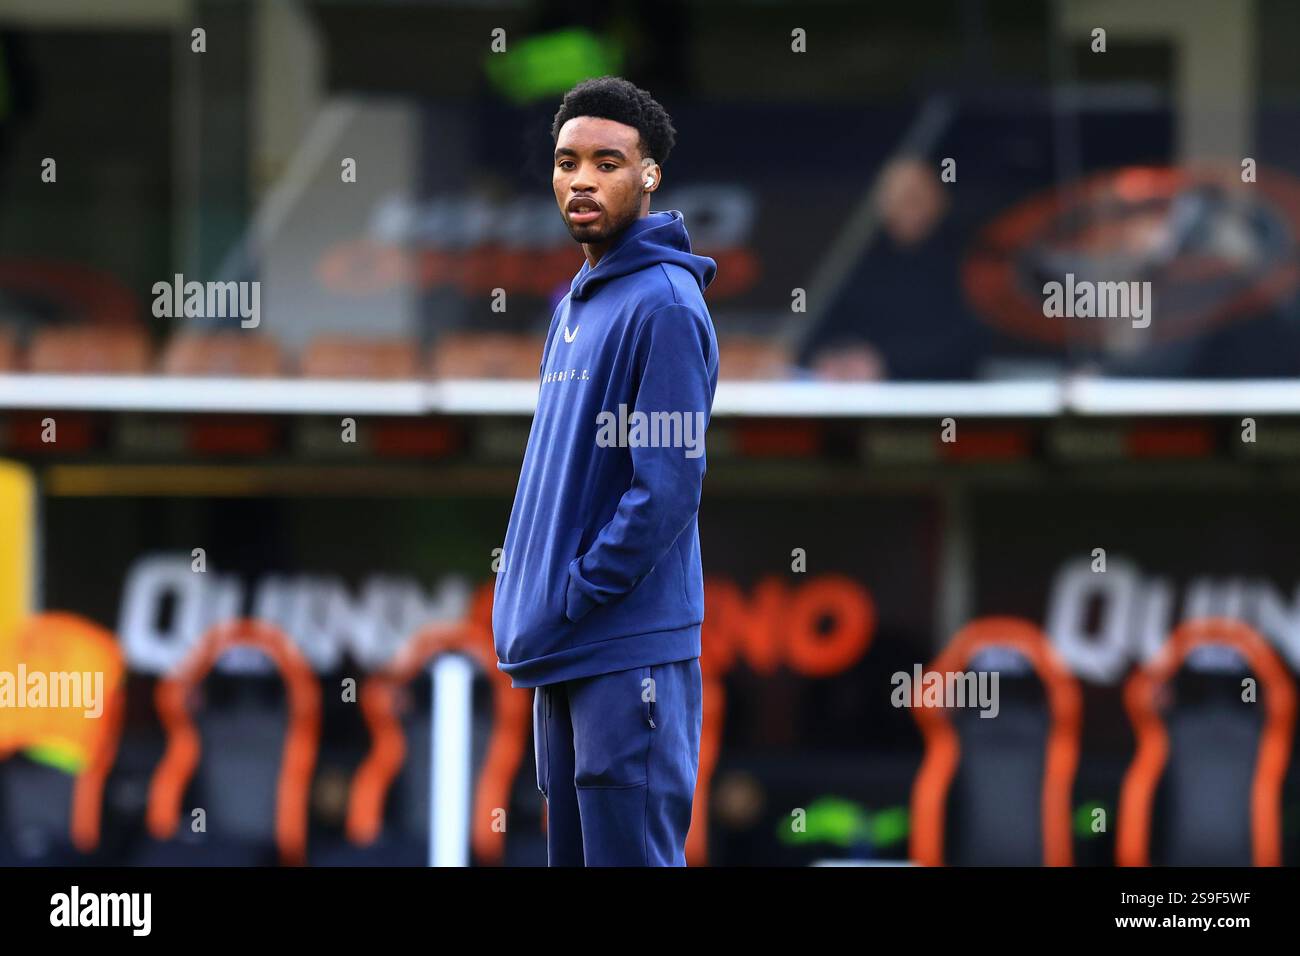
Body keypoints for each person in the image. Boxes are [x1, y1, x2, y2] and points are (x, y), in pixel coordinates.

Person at [492, 76, 718, 866]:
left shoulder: (665, 305)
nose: (581, 179)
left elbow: (666, 488)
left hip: (626, 652)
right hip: (566, 648)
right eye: (566, 161)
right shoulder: (576, 304)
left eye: (607, 162)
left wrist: (578, 591)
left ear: (649, 174)